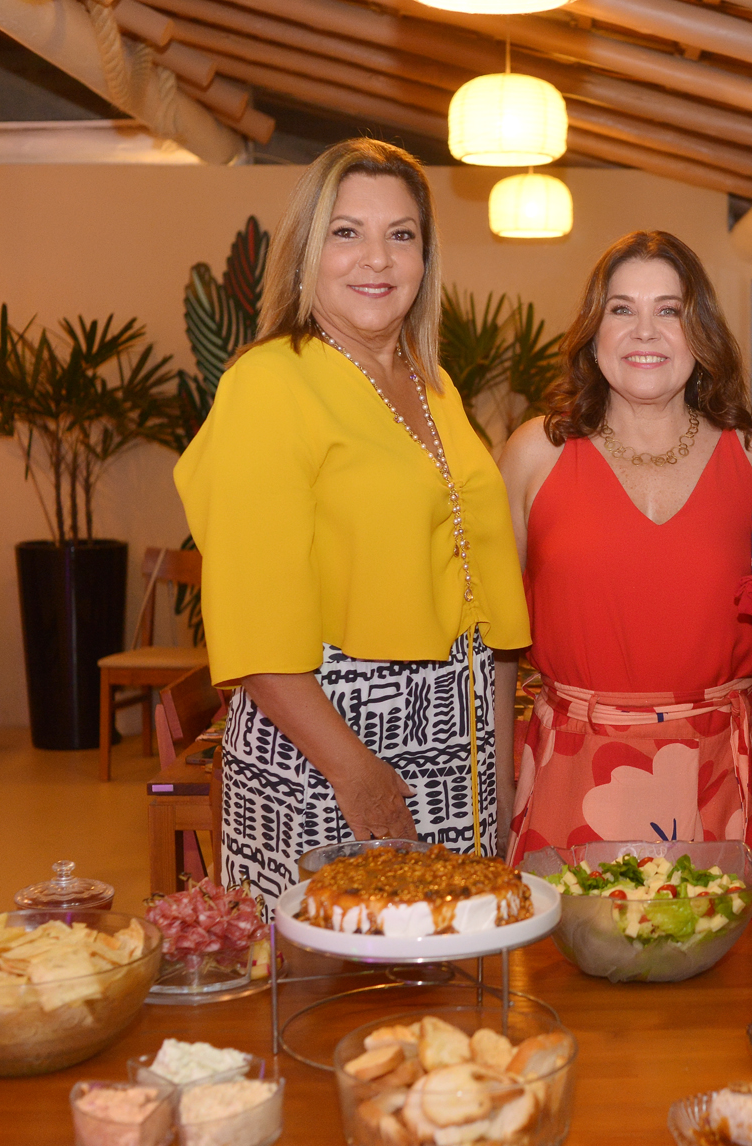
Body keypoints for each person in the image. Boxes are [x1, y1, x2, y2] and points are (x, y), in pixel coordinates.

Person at [175, 138, 530, 904]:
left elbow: (487, 607)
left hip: (451, 752)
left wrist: (496, 771)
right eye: (348, 232)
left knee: (441, 998)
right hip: (326, 754)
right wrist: (358, 774)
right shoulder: (268, 384)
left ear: (425, 258)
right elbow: (255, 622)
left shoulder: (434, 388)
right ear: (308, 251)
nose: (377, 258)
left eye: (401, 235)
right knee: (325, 998)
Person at [497, 230, 752, 868]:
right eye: (622, 309)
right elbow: (497, 644)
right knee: (559, 967)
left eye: (668, 311)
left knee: (723, 966)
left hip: (724, 781)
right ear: (593, 335)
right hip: (568, 776)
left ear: (700, 335)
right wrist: (502, 783)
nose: (643, 331)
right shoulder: (534, 455)